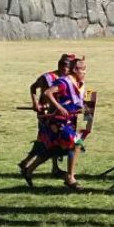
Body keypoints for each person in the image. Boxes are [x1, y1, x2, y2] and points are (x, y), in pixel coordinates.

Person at [23, 57, 89, 190]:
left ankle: (28, 170)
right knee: (75, 143)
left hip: (69, 121)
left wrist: (83, 109)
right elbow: (48, 93)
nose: (85, 73)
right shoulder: (64, 82)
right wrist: (59, 107)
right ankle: (70, 178)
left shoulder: (78, 83)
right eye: (83, 70)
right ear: (75, 70)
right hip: (58, 121)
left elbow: (73, 101)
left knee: (52, 150)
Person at [19, 53, 74, 183]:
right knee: (49, 141)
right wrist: (35, 103)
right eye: (69, 67)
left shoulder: (68, 80)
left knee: (49, 141)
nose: (70, 70)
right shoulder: (48, 78)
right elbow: (33, 87)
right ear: (62, 66)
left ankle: (30, 164)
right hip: (46, 115)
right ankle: (32, 167)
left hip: (59, 116)